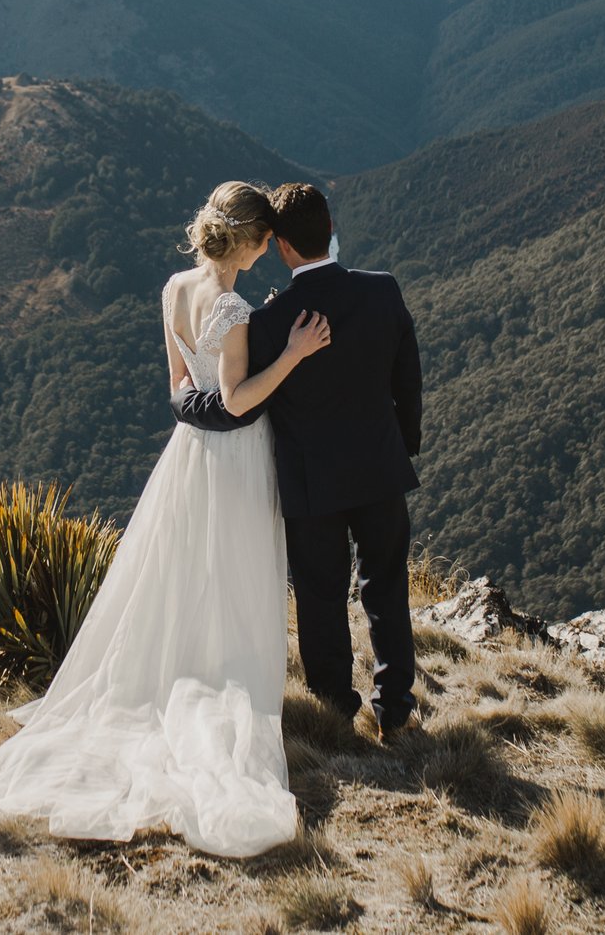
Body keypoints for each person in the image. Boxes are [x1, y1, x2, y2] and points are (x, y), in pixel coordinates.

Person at [0, 181, 330, 857]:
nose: (272, 245)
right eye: (266, 237)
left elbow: (181, 387)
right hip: (234, 457)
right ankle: (222, 679)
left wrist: (201, 407)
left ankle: (187, 671)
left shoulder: (174, 288)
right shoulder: (233, 307)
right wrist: (293, 355)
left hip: (187, 454)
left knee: (180, 572)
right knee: (231, 573)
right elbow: (237, 401)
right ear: (251, 241)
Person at [173, 181, 423, 737]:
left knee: (320, 595)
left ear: (282, 246)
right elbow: (408, 378)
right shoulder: (383, 291)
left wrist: (183, 402)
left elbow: (242, 403)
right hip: (380, 469)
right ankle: (396, 708)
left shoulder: (266, 322)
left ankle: (335, 706)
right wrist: (403, 443)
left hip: (311, 484)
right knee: (387, 588)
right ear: (330, 230)